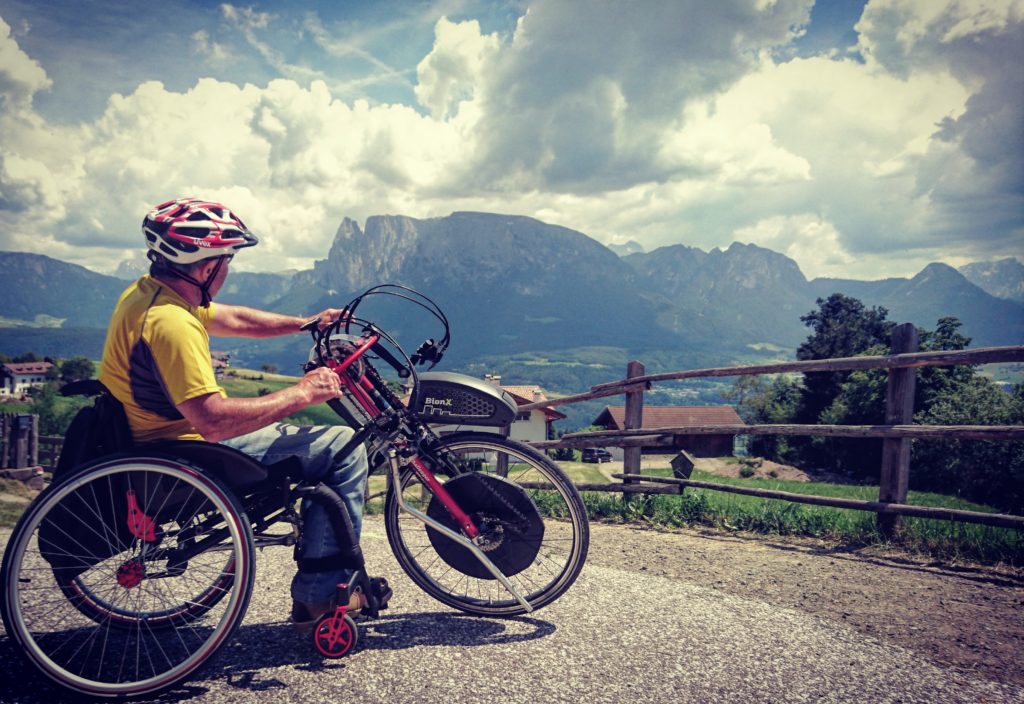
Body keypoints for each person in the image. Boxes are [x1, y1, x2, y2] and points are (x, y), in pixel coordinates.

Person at [98, 196, 385, 633]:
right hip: (191, 449)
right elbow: (213, 421)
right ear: (204, 266)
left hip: (159, 440)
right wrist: (303, 392)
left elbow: (232, 318)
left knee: (312, 444)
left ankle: (319, 573)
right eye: (225, 259)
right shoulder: (170, 324)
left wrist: (305, 322)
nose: (228, 269)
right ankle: (321, 597)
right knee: (342, 446)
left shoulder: (149, 295)